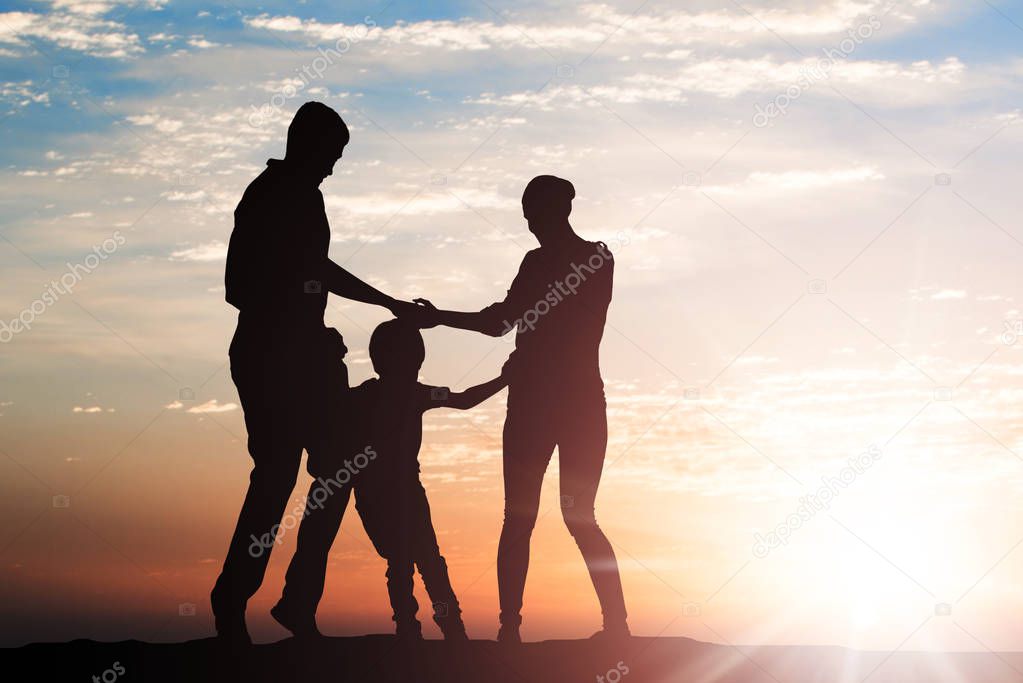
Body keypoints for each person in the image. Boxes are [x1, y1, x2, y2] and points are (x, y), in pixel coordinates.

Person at [211, 101, 421, 645]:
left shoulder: (307, 196)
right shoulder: (269, 197)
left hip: (308, 357)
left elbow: (317, 272)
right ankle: (233, 601)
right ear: (307, 145)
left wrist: (379, 305)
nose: (333, 167)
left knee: (333, 471)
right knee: (277, 477)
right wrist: (302, 316)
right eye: (331, 155)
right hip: (270, 358)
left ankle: (295, 602)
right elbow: (242, 288)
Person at [415, 175, 629, 642]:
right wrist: (441, 319)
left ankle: (599, 627)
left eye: (532, 210)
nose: (527, 220)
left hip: (561, 402)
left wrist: (439, 319)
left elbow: (509, 321)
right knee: (538, 516)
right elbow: (507, 321)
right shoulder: (551, 261)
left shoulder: (593, 258)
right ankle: (521, 629)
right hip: (558, 402)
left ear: (556, 211)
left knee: (550, 516)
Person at [274, 319, 508, 641]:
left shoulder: (386, 394)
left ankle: (422, 629)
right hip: (390, 494)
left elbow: (463, 399)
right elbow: (464, 399)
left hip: (392, 493)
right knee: (421, 560)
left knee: (412, 559)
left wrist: (503, 379)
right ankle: (438, 629)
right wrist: (505, 379)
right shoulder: (413, 394)